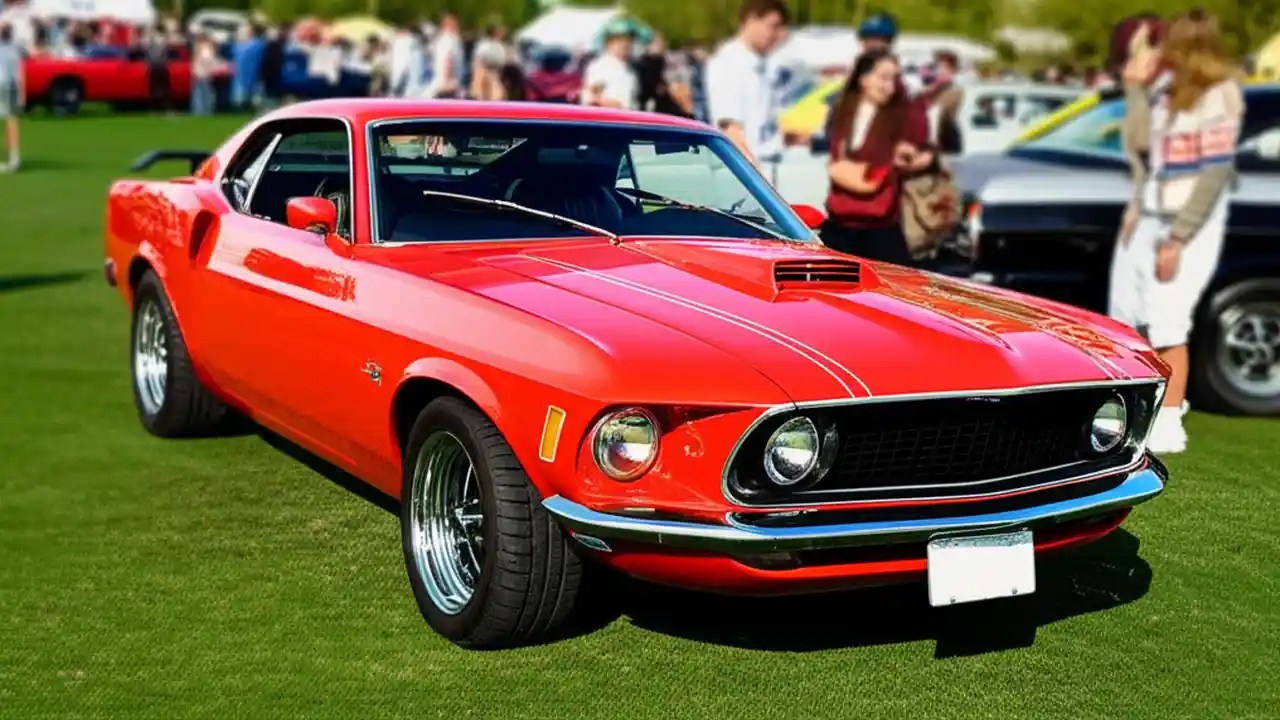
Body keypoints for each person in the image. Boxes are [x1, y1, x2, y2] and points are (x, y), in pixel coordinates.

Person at [1109, 10, 1243, 454]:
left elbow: (1214, 172)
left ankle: (1169, 422)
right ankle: (1122, 413)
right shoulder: (1165, 92)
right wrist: (1133, 88)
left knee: (1167, 317)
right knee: (1122, 316)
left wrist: (1180, 237)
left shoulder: (1220, 95)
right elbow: (1141, 150)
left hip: (1190, 221)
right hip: (1149, 212)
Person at [820, 49, 932, 264]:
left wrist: (912, 159)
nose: (888, 87)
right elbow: (836, 152)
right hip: (841, 220)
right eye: (883, 78)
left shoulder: (903, 114)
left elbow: (923, 150)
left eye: (894, 79)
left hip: (880, 221)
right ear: (863, 78)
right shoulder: (843, 111)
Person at [704, 0, 790, 180]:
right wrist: (756, 181)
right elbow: (731, 130)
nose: (777, 35)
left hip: (768, 165)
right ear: (751, 20)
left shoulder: (762, 64)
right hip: (746, 172)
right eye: (772, 26)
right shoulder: (727, 63)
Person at [580, 19, 639, 110]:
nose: (626, 45)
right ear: (609, 43)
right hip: (608, 119)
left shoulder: (628, 68)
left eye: (628, 41)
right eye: (620, 41)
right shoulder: (599, 67)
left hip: (628, 119)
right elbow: (590, 98)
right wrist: (617, 105)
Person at [923, 50, 963, 155]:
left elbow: (939, 111)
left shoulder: (955, 91)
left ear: (953, 70)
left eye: (944, 67)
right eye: (937, 67)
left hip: (946, 139)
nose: (940, 71)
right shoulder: (929, 89)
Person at [0, 22, 22, 172]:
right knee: (11, 120)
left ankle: (14, 159)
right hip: (11, 85)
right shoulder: (15, 47)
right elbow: (20, 71)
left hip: (4, 84)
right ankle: (14, 158)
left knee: (9, 121)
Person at [470, 19, 510, 101]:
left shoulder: (501, 47)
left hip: (495, 78)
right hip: (484, 77)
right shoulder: (484, 46)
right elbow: (478, 64)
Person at [427, 14, 463, 98]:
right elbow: (448, 61)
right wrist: (448, 82)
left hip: (438, 83)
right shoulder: (451, 40)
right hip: (447, 84)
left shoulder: (440, 41)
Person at [190, 33, 221, 116]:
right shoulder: (204, 48)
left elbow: (206, 61)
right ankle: (203, 111)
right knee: (203, 93)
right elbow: (206, 60)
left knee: (203, 93)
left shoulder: (202, 47)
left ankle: (203, 111)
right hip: (203, 74)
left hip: (203, 74)